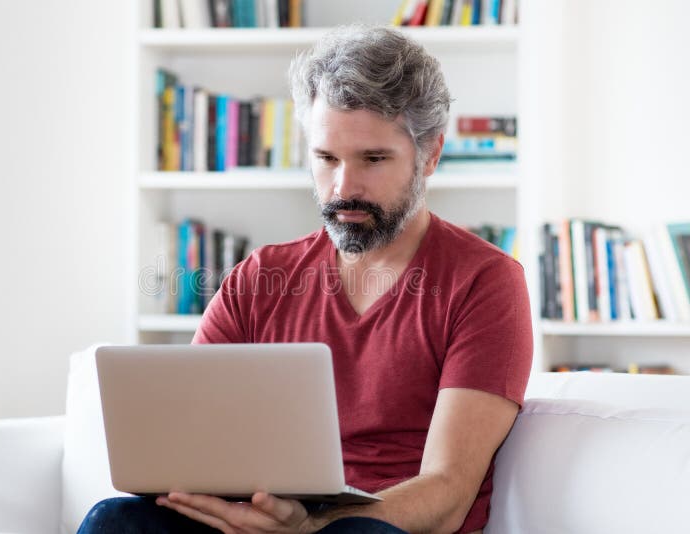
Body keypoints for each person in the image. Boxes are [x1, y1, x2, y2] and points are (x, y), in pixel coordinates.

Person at [79, 24, 532, 534]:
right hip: (261, 520)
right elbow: (192, 445)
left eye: (373, 159)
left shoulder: (487, 282)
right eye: (326, 158)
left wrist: (311, 528)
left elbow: (448, 493)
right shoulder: (260, 277)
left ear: (429, 155)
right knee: (114, 521)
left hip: (382, 527)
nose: (344, 186)